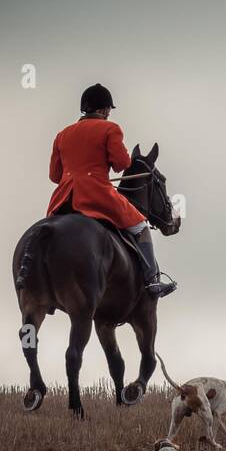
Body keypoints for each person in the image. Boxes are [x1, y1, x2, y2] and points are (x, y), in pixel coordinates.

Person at [46, 83, 175, 297]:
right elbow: (122, 164)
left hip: (63, 199)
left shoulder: (62, 134)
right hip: (96, 194)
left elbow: (54, 175)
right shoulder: (110, 128)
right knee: (141, 227)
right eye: (108, 110)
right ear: (105, 110)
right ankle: (153, 282)